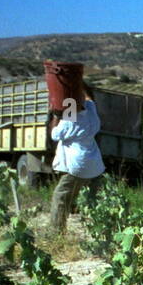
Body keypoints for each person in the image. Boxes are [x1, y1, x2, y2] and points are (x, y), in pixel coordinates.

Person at [50, 82, 105, 234]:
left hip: (77, 165)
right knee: (94, 200)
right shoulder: (91, 113)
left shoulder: (70, 120)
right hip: (95, 165)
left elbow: (54, 134)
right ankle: (100, 231)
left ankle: (57, 232)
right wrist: (80, 82)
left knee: (60, 197)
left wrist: (55, 115)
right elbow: (90, 98)